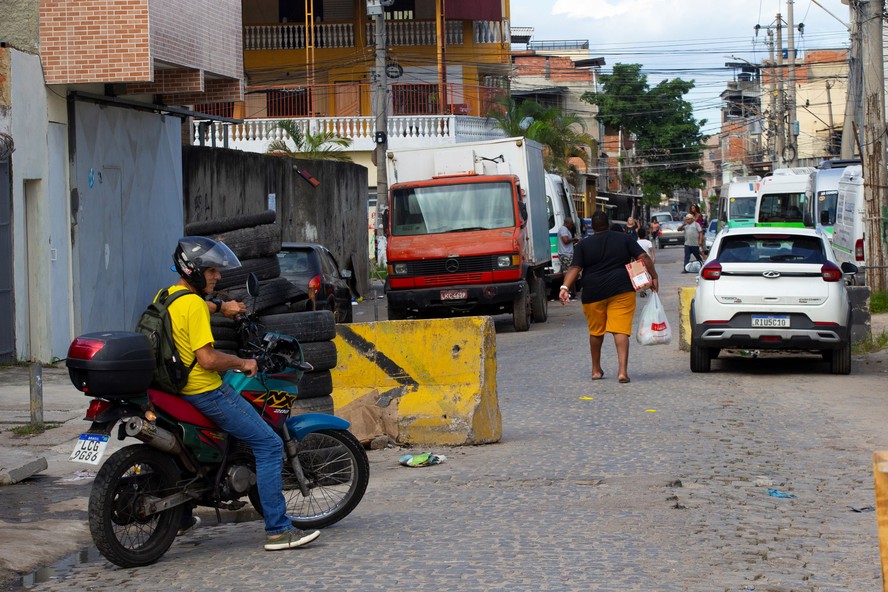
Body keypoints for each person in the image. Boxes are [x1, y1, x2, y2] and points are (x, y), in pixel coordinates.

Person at [165, 236, 320, 551]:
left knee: (185, 450)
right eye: (211, 271)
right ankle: (278, 529)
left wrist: (223, 306)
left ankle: (178, 517)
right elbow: (208, 359)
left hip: (173, 389)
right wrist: (243, 362)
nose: (218, 277)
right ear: (193, 270)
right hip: (204, 390)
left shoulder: (170, 296)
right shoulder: (193, 305)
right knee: (268, 444)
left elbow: (195, 305)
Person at [559, 211, 659, 384]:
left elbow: (575, 267)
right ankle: (622, 372)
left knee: (596, 332)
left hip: (593, 293)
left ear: (592, 226)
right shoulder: (624, 239)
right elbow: (643, 257)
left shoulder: (583, 244)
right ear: (608, 223)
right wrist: (654, 277)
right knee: (620, 330)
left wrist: (564, 287)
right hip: (622, 290)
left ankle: (596, 370)